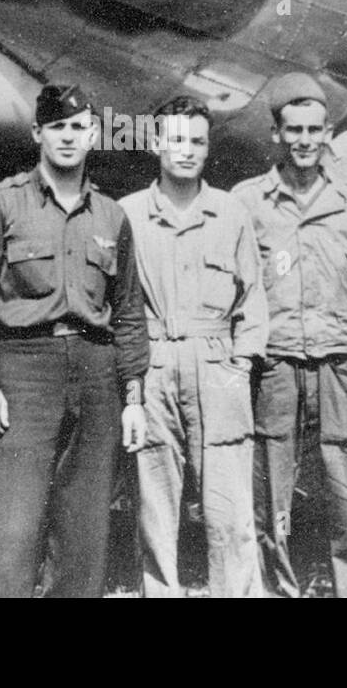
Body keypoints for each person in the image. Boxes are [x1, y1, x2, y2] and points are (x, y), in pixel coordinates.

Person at [0, 83, 149, 597]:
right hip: (25, 370)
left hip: (97, 372)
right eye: (58, 127)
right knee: (12, 526)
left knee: (85, 530)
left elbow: (129, 311)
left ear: (93, 134)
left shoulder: (112, 217)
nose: (68, 137)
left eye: (78, 127)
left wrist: (134, 396)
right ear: (38, 133)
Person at [232, 73, 347, 598]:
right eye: (293, 129)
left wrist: (335, 330)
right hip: (275, 367)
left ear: (328, 133)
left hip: (337, 366)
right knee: (272, 491)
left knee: (346, 494)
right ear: (276, 133)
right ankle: (278, 592)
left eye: (315, 129)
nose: (304, 140)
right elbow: (238, 283)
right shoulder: (248, 203)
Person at [119, 96, 269, 597]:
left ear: (208, 149)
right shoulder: (129, 217)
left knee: (230, 513)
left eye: (198, 142)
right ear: (157, 143)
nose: (187, 151)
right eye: (177, 139)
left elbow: (253, 302)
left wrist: (240, 367)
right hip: (154, 365)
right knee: (155, 509)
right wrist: (133, 388)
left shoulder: (231, 214)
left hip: (218, 368)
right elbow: (119, 310)